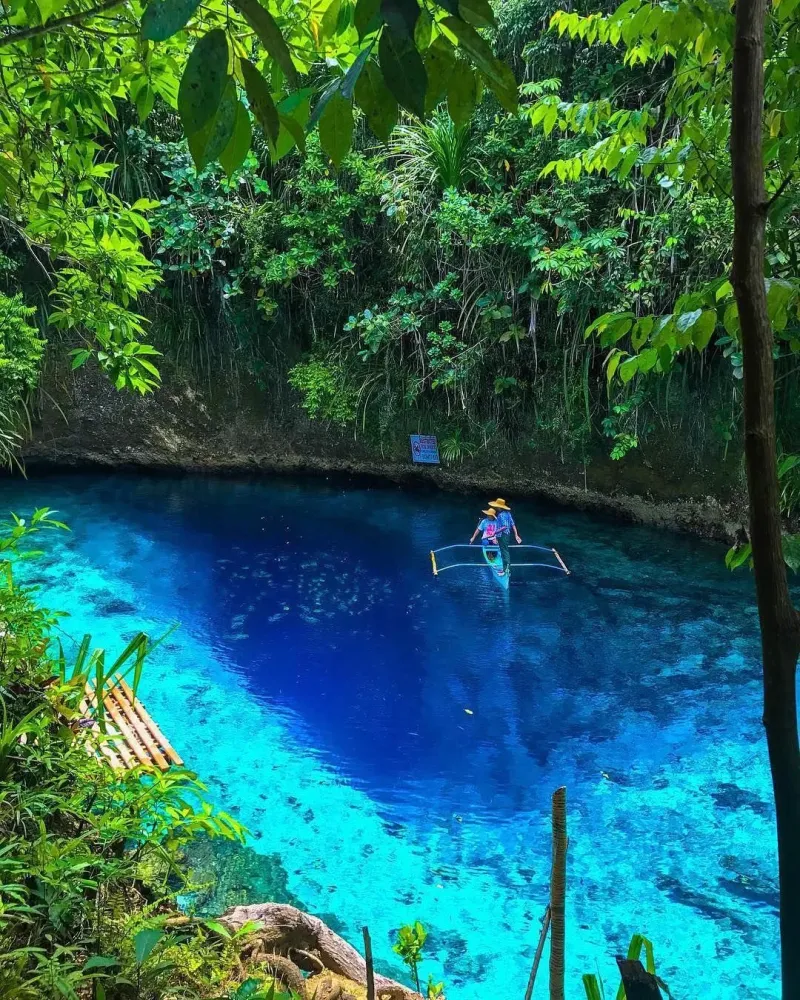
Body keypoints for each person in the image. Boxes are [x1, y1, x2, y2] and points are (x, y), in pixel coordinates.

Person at [489, 498, 521, 575]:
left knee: (504, 552)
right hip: (507, 535)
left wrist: (495, 532)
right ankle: (505, 569)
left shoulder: (501, 515)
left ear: (500, 507)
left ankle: (506, 570)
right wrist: (516, 535)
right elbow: (513, 525)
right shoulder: (508, 514)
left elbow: (504, 527)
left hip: (502, 535)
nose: (496, 508)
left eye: (497, 506)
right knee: (504, 551)